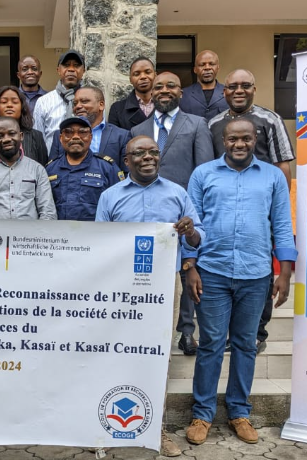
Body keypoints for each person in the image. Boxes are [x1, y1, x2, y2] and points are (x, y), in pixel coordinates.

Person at [184, 118, 296, 446]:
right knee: (211, 344)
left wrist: (285, 272)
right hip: (212, 272)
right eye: (233, 139)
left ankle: (239, 412)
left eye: (246, 139)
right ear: (223, 139)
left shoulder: (273, 176)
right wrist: (190, 267)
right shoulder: (203, 174)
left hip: (256, 274)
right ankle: (202, 414)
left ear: (255, 139)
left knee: (246, 344)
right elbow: (194, 223)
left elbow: (281, 221)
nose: (239, 144)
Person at [95, 135, 203, 458]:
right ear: (126, 161)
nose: (147, 157)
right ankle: (105, 430)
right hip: (120, 289)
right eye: (139, 153)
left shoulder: (177, 193)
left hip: (163, 288)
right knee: (114, 353)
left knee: (159, 358)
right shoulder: (110, 197)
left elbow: (198, 239)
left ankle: (156, 430)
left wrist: (190, 231)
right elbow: (100, 243)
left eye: (153, 152)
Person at [208, 69, 295, 352]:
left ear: (254, 89)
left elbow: (282, 163)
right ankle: (229, 332)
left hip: (261, 204)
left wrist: (277, 203)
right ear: (224, 91)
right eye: (233, 86)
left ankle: (257, 332)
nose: (239, 90)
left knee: (261, 270)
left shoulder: (270, 119)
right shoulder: (214, 124)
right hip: (225, 205)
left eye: (245, 85)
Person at [130, 71, 215, 355]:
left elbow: (203, 171)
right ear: (149, 93)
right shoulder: (138, 129)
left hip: (181, 213)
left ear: (181, 92)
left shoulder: (196, 124)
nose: (164, 90)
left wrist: (193, 216)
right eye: (158, 87)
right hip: (145, 217)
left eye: (171, 85)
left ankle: (187, 331)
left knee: (186, 269)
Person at [0, 116, 55, 220]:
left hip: (30, 234)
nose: (6, 139)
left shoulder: (37, 170)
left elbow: (48, 213)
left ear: (21, 136)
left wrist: (38, 236)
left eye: (11, 133)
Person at [45, 116, 123, 221]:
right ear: (60, 138)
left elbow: (120, 204)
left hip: (94, 234)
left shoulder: (107, 168)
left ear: (90, 137)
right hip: (59, 234)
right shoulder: (50, 169)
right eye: (68, 132)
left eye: (82, 132)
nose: (76, 137)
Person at [48, 86, 130, 170]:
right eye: (75, 103)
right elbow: (52, 170)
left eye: (84, 101)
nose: (78, 106)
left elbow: (126, 173)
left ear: (101, 105)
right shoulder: (62, 134)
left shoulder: (121, 136)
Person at [0, 86, 48, 167]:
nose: (9, 105)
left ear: (22, 107)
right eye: (4, 102)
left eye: (15, 102)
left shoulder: (36, 136)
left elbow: (42, 167)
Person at [33, 50, 85, 147]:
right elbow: (38, 139)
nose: (71, 69)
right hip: (52, 160)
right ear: (58, 70)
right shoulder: (43, 102)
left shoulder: (91, 102)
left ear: (83, 71)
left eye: (76, 65)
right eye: (66, 65)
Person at [108, 57, 156, 130]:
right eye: (136, 74)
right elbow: (114, 138)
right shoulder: (117, 109)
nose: (143, 77)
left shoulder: (166, 105)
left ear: (155, 75)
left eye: (148, 72)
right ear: (130, 79)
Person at [179, 50, 228, 121]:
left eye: (211, 64)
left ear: (218, 67)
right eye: (202, 65)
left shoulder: (229, 93)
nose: (207, 68)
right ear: (195, 69)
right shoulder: (184, 94)